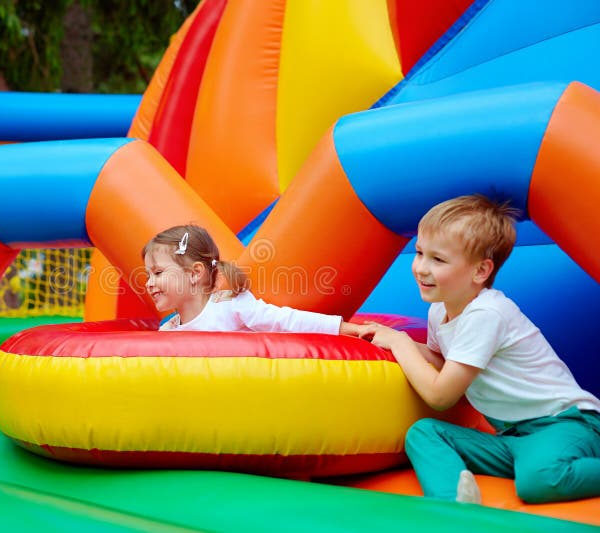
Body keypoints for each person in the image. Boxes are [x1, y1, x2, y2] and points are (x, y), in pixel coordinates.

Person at [359, 194, 600, 505]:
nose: (420, 268)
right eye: (419, 253)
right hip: (512, 439)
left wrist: (400, 342)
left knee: (540, 481)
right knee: (424, 433)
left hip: (562, 424)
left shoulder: (487, 314)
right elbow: (444, 361)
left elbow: (441, 396)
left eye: (438, 259)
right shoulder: (440, 309)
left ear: (480, 271)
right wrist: (386, 337)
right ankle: (456, 504)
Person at [142, 224, 367, 336]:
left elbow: (285, 321)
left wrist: (347, 329)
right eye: (147, 275)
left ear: (194, 273)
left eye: (158, 273)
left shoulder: (230, 307)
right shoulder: (168, 331)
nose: (148, 283)